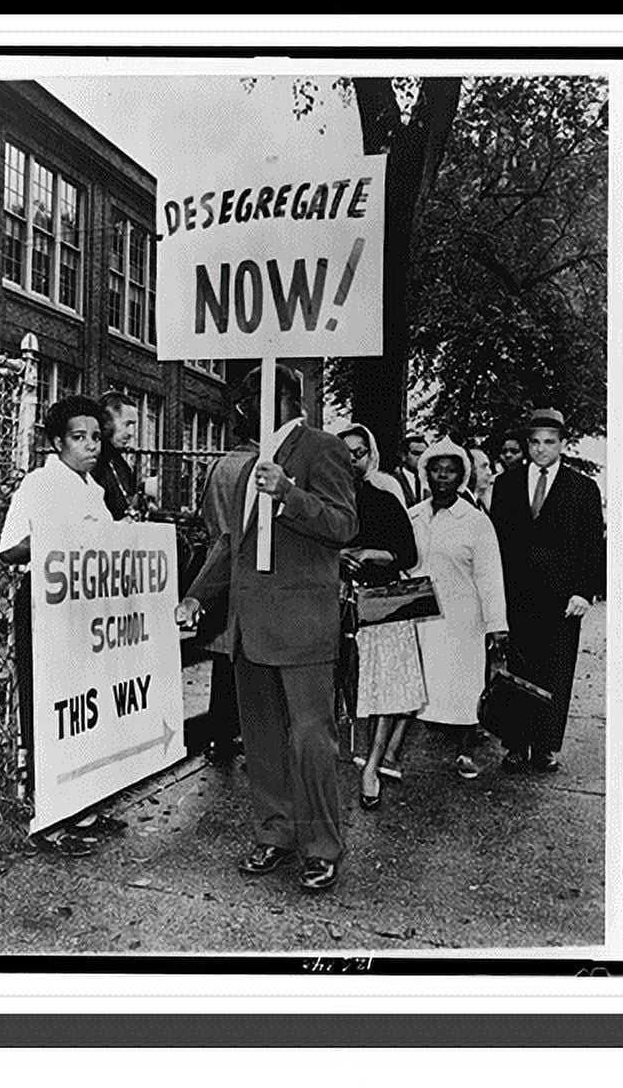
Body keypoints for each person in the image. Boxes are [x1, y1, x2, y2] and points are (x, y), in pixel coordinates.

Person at [175, 365, 358, 892]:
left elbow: (344, 525)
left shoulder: (321, 449)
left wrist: (288, 495)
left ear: (283, 398)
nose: (242, 410)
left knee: (310, 739)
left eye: (251, 398)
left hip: (302, 626)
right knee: (261, 738)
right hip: (249, 627)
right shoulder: (251, 464)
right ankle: (274, 832)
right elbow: (232, 543)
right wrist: (196, 595)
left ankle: (322, 846)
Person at [0, 395, 128, 855]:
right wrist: (58, 541)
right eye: (79, 437)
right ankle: (48, 819)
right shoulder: (40, 484)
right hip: (45, 605)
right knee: (46, 705)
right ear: (57, 442)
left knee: (82, 706)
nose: (91, 445)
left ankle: (82, 807)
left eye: (96, 436)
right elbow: (9, 548)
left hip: (86, 611)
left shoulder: (92, 488)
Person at [489, 408, 605, 774]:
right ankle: (514, 743)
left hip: (561, 600)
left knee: (556, 670)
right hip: (517, 596)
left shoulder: (582, 488)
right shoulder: (506, 485)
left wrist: (584, 592)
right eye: (535, 443)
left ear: (563, 445)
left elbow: (592, 545)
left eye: (549, 443)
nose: (541, 450)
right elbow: (497, 542)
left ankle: (545, 746)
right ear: (527, 444)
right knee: (519, 671)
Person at [336, 425, 425, 809]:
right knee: (347, 687)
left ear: (370, 455)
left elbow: (408, 555)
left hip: (380, 603)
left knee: (385, 687)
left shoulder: (384, 498)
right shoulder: (325, 500)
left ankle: (372, 768)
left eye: (358, 452)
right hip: (335, 602)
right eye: (344, 453)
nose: (351, 460)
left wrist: (371, 554)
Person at [409, 437, 509, 779]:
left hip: (464, 617)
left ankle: (465, 751)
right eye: (435, 469)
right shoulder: (414, 516)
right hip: (422, 615)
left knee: (465, 687)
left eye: (450, 471)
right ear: (426, 473)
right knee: (423, 685)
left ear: (461, 476)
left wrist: (497, 624)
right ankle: (403, 754)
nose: (442, 476)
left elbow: (490, 575)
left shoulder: (476, 521)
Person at [196, 431, 259, 763]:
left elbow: (206, 516)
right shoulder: (259, 467)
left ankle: (218, 737)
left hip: (217, 569)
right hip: (246, 570)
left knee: (222, 659)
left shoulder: (218, 466)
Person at [93, 391, 144, 521]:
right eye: (127, 424)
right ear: (106, 422)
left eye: (133, 425)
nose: (131, 433)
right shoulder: (88, 462)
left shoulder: (120, 463)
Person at [392, 434, 430, 509]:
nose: (421, 458)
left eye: (425, 454)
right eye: (416, 454)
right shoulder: (393, 481)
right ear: (404, 456)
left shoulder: (431, 480)